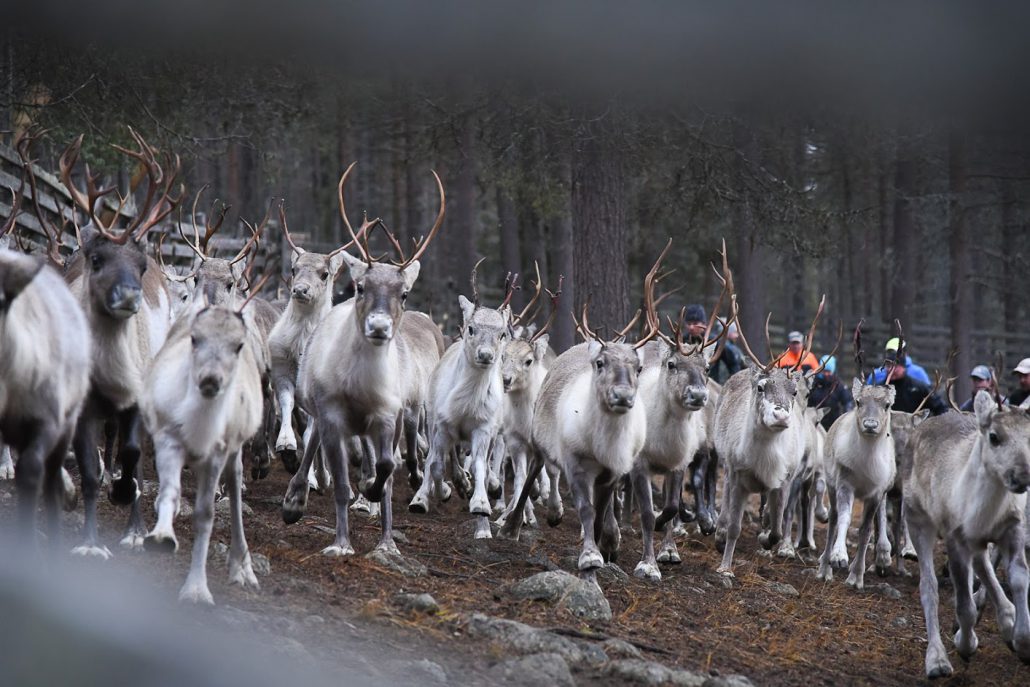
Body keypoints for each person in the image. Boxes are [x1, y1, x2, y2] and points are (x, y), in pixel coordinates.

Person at [882, 354, 948, 415]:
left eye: (895, 366)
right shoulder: (881, 389)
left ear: (903, 367)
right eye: (888, 366)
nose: (890, 369)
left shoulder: (919, 387)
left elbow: (940, 407)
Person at [807, 355, 854, 430]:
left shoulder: (838, 384)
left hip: (833, 424)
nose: (826, 374)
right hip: (814, 423)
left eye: (828, 372)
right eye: (824, 371)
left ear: (833, 371)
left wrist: (846, 418)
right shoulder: (813, 384)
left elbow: (847, 401)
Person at [867, 337, 931, 386]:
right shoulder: (877, 374)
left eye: (898, 353)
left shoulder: (918, 372)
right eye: (890, 352)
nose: (894, 356)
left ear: (905, 353)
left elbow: (929, 396)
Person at [709, 320, 744, 384]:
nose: (737, 335)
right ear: (727, 332)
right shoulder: (730, 348)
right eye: (734, 332)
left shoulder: (732, 347)